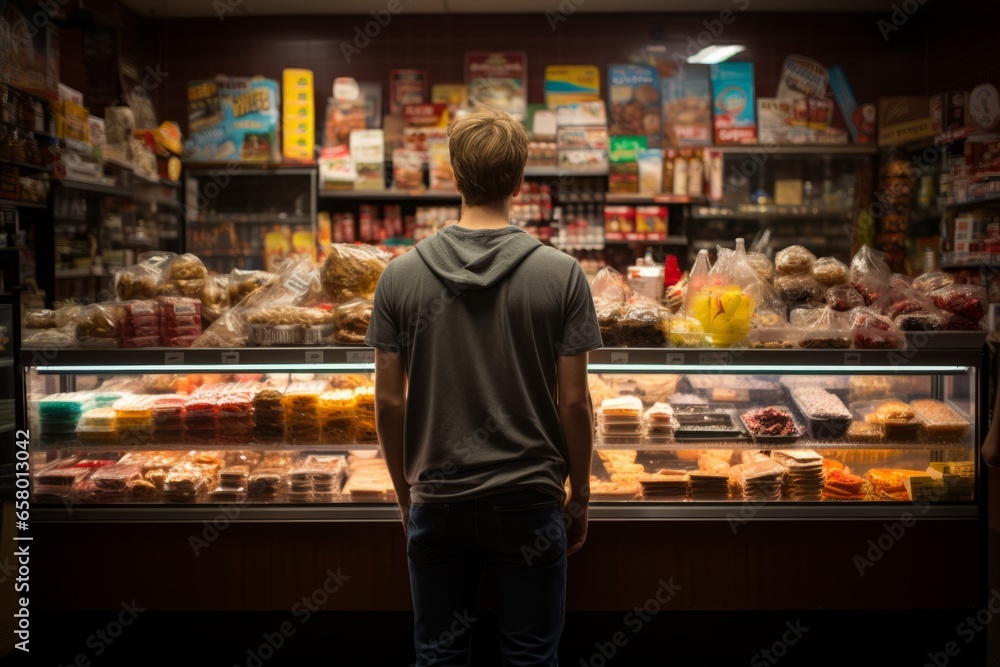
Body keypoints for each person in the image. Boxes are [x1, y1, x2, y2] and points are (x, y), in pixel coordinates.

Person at [365, 106, 603, 666]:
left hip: (438, 499)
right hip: (529, 499)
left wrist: (407, 496)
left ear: (453, 176)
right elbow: (574, 402)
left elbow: (388, 401)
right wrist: (582, 496)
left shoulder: (399, 275)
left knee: (440, 658)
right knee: (529, 657)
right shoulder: (562, 274)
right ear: (520, 182)